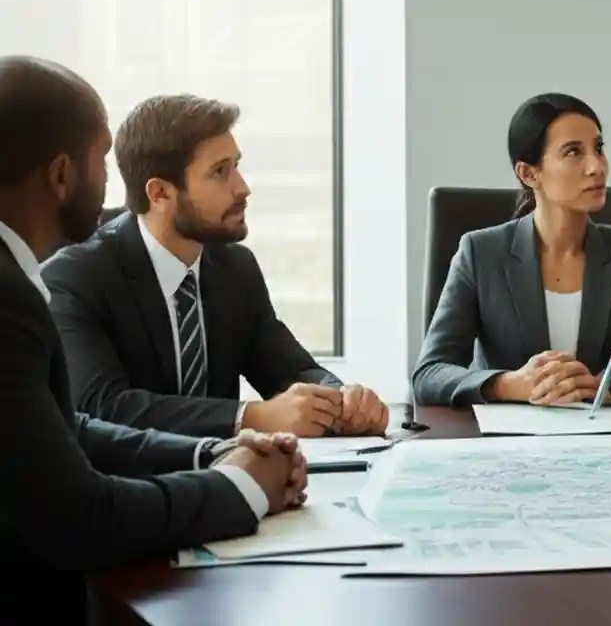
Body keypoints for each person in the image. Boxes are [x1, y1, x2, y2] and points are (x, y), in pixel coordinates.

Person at [0, 55, 306, 622]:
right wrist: (240, 488)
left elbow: (68, 429)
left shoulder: (16, 280)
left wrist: (212, 452)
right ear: (62, 174)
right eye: (102, 160)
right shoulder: (14, 295)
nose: (111, 183)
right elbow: (78, 517)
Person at [41, 94, 388, 439]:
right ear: (160, 193)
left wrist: (341, 400)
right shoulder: (78, 275)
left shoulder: (234, 266)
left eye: (236, 166)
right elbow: (105, 405)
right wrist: (250, 417)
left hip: (227, 478)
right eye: (220, 172)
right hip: (127, 485)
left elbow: (288, 369)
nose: (242, 188)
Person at [413, 93, 611, 407]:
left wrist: (607, 389)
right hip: (508, 446)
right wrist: (511, 385)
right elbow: (429, 374)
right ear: (529, 173)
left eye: (598, 148)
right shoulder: (480, 253)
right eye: (573, 152)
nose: (597, 166)